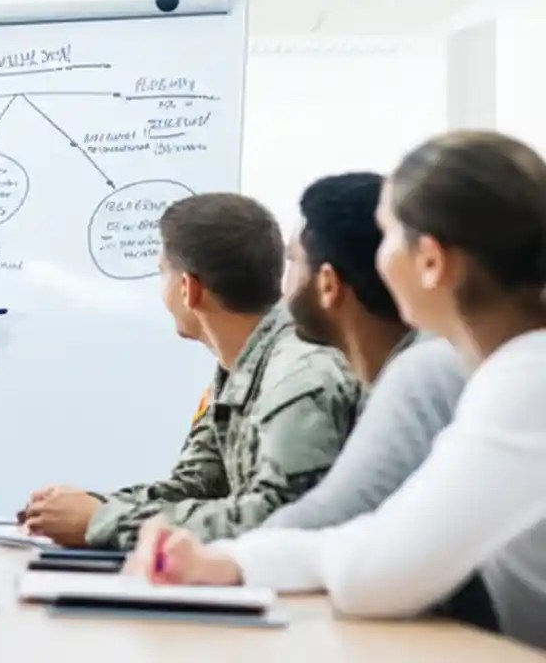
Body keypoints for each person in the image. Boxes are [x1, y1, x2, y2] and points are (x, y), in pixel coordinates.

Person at [125, 131, 546, 652]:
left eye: (387, 234)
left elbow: (381, 573)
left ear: (431, 261)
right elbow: (381, 538)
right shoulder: (510, 371)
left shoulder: (524, 382)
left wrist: (233, 560)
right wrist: (232, 561)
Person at [22, 193, 361, 549]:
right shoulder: (241, 367)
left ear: (188, 289)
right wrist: (90, 507)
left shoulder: (298, 377)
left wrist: (101, 521)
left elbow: (277, 519)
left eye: (161, 273)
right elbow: (198, 485)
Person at [264, 172, 467, 530]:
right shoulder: (398, 374)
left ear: (328, 284)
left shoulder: (424, 374)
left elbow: (335, 517)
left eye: (293, 261)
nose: (284, 283)